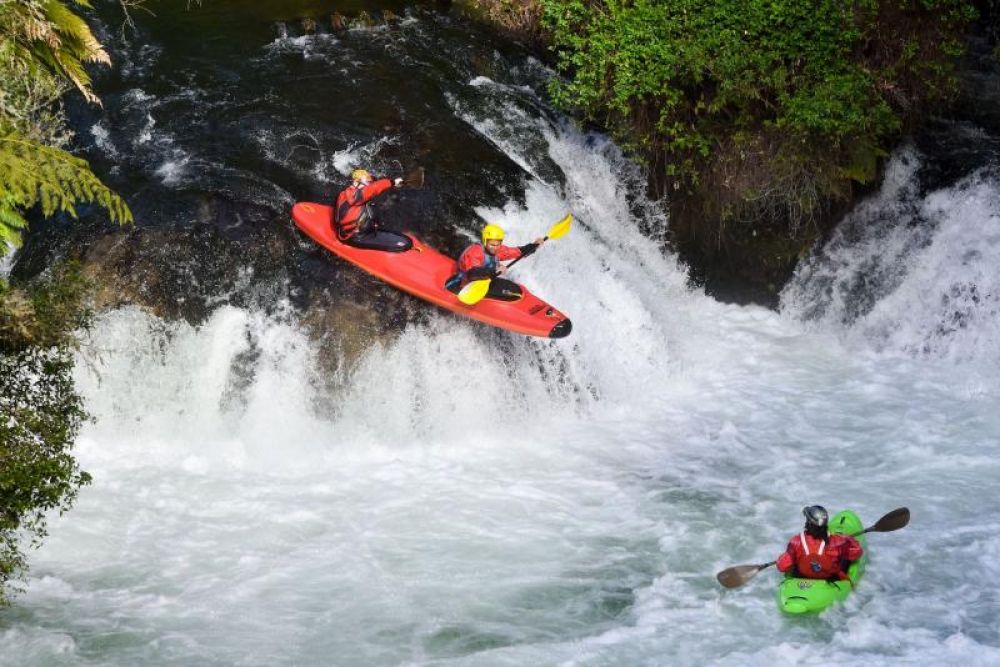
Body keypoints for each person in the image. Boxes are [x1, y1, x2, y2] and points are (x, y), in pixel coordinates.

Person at [445, 223, 545, 301]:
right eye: (492, 245)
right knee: (510, 294)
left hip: (483, 283)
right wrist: (495, 270)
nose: (495, 248)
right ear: (485, 241)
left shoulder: (498, 249)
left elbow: (517, 252)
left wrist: (533, 246)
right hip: (464, 287)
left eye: (498, 244)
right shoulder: (475, 252)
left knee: (516, 290)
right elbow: (473, 273)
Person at [776, 505, 864, 581]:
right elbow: (857, 551)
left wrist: (785, 556)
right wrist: (847, 538)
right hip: (829, 580)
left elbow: (781, 566)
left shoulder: (796, 542)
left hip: (803, 578)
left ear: (808, 523)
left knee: (794, 561)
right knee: (845, 558)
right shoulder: (838, 542)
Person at [333, 168, 412, 252]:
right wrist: (392, 182)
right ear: (356, 182)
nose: (369, 184)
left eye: (370, 182)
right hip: (354, 236)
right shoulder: (351, 194)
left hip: (363, 232)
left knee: (405, 240)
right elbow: (373, 189)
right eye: (367, 181)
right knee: (403, 245)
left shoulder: (356, 196)